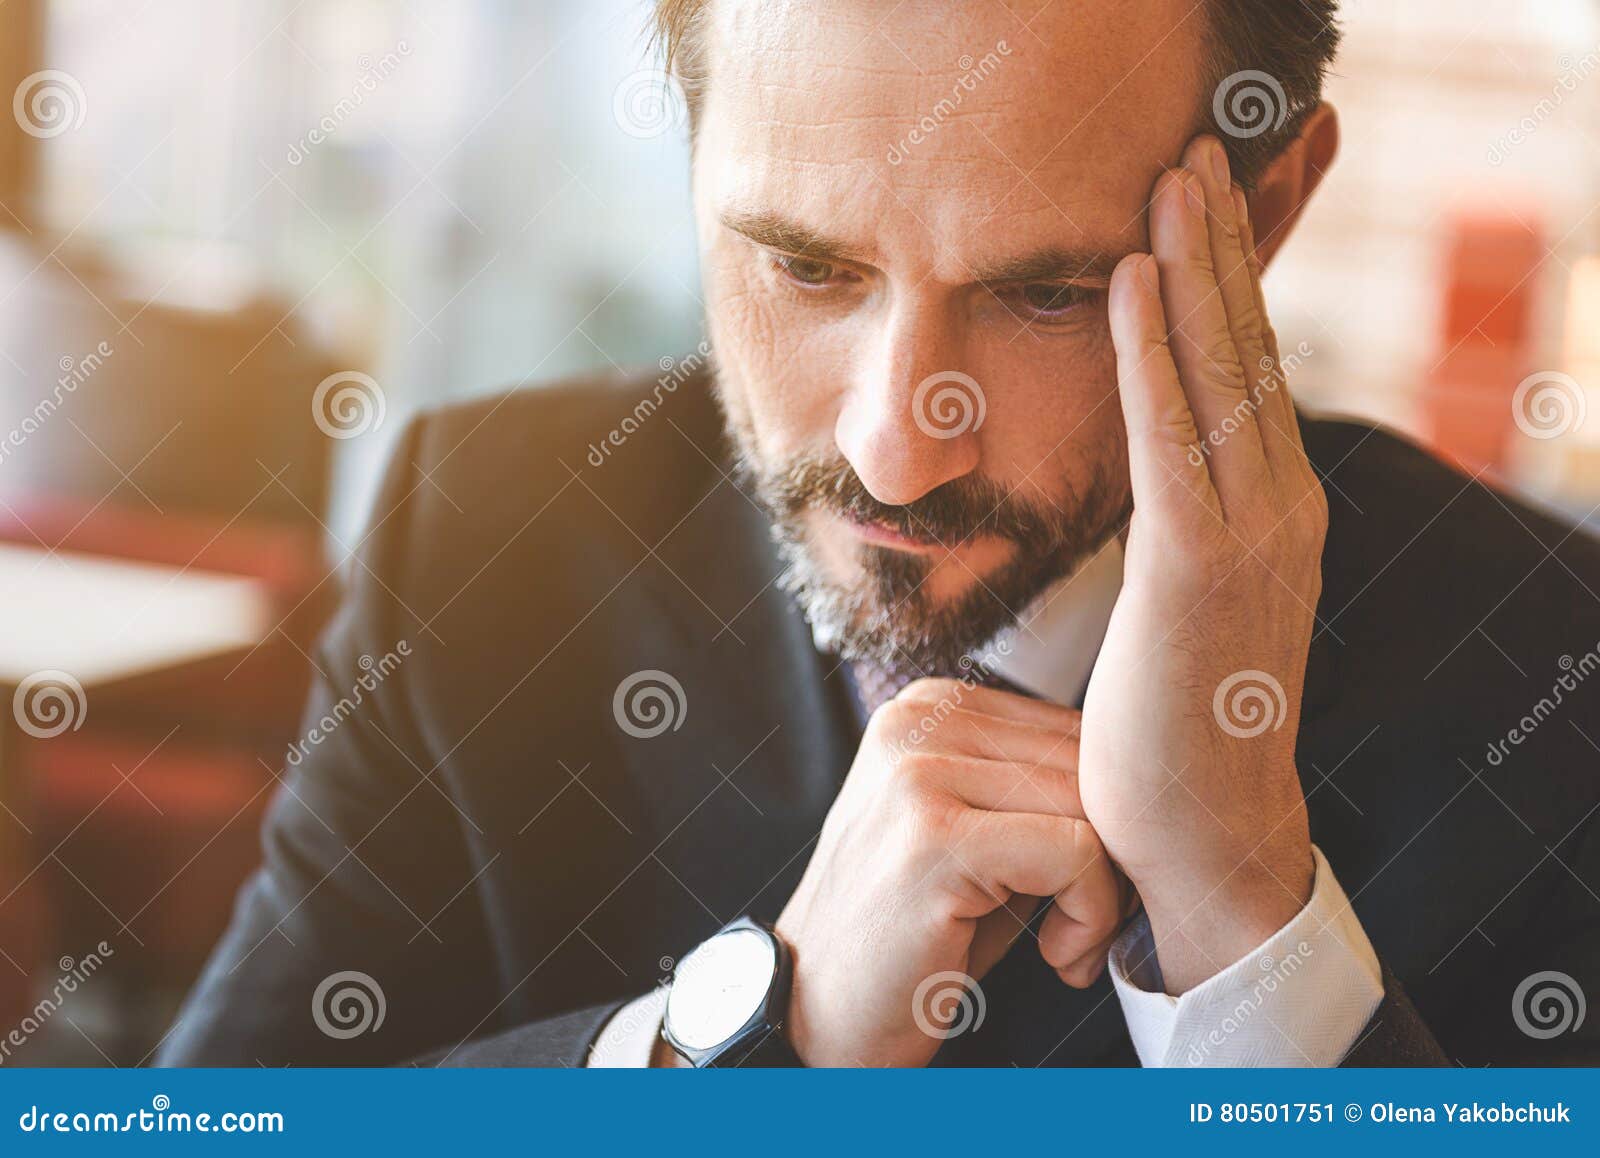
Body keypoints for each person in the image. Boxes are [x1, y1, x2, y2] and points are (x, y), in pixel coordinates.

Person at [160, 0, 1600, 1068]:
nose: (893, 442)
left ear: (1265, 205)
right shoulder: (491, 530)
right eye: (804, 265)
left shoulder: (1549, 671)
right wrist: (743, 1034)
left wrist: (1242, 915)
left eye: (1043, 292)